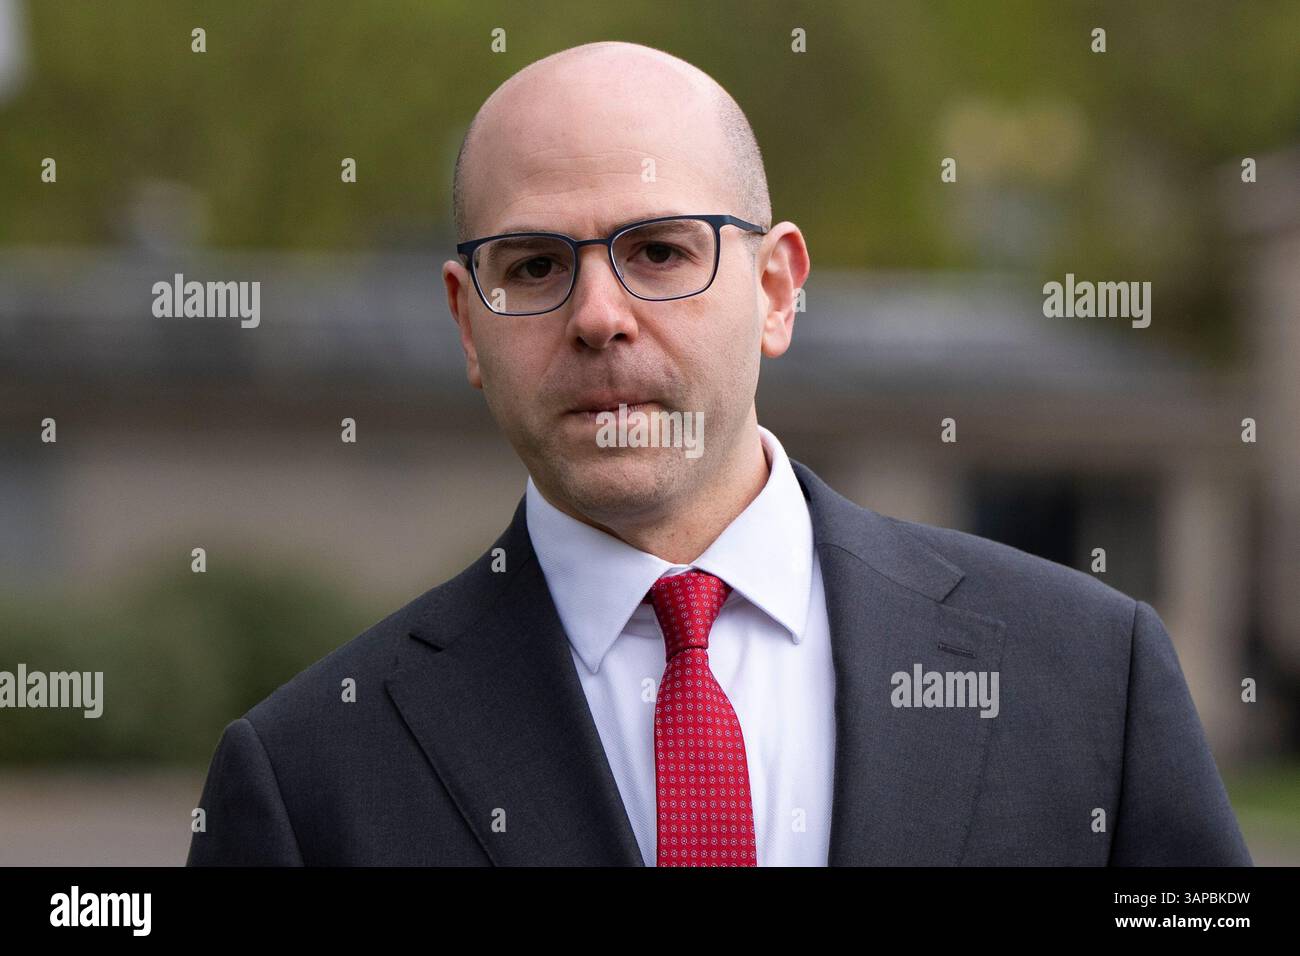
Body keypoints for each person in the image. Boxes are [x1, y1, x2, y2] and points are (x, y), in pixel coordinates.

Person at [187, 40, 1251, 867]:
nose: (599, 315)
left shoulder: (1088, 678)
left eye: (659, 250)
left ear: (776, 289)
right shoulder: (307, 777)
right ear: (469, 323)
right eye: (534, 263)